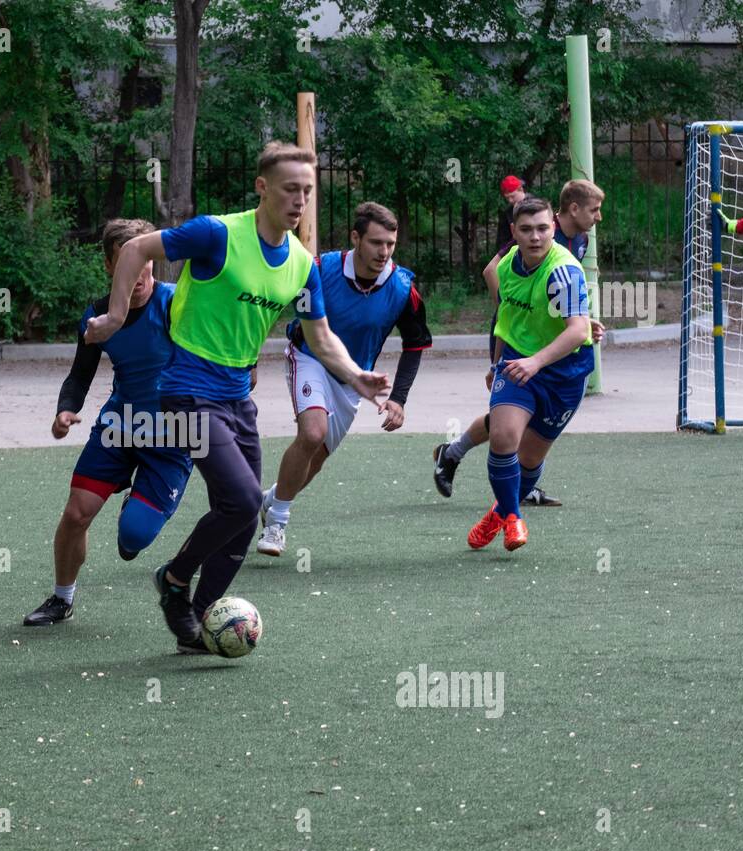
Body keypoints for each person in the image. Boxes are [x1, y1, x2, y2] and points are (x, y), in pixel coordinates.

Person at [85, 141, 390, 653]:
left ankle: (201, 625)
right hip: (184, 388)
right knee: (245, 499)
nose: (300, 200)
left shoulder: (301, 264)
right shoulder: (216, 233)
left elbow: (319, 336)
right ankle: (175, 581)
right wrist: (116, 316)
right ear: (263, 187)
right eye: (291, 189)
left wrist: (357, 375)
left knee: (244, 517)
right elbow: (137, 249)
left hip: (236, 397)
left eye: (308, 192)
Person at [23, 219, 192, 626]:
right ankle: (62, 599)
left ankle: (134, 509)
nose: (138, 274)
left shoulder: (176, 304)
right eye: (127, 265)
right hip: (120, 424)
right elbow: (81, 373)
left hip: (177, 435)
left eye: (146, 262)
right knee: (76, 513)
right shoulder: (97, 315)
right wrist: (66, 409)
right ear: (109, 267)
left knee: (133, 538)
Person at [256, 201, 431, 556]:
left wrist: (399, 397)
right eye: (376, 242)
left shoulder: (402, 287)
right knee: (312, 432)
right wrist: (249, 361)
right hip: (309, 357)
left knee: (315, 459)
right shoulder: (318, 269)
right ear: (356, 238)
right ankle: (277, 523)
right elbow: (267, 307)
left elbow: (415, 343)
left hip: (355, 380)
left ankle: (270, 500)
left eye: (390, 244)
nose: (384, 252)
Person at [433, 179, 606, 505]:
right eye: (594, 210)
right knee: (507, 422)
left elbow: (559, 300)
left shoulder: (577, 241)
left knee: (518, 422)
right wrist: (517, 308)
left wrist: (577, 318)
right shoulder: (533, 234)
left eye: (542, 229)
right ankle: (485, 475)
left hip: (547, 345)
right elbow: (490, 271)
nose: (599, 217)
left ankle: (460, 457)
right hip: (516, 336)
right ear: (573, 209)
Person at [466, 196, 592, 552]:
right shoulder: (506, 266)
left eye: (542, 228)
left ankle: (499, 514)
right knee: (504, 436)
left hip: (564, 373)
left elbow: (578, 331)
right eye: (526, 230)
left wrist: (537, 362)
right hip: (519, 364)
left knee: (531, 459)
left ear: (553, 225)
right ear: (513, 232)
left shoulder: (563, 271)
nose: (535, 237)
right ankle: (514, 517)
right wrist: (497, 363)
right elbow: (506, 321)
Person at [495, 174, 526, 256]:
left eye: (512, 196)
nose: (510, 200)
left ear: (521, 189)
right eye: (507, 198)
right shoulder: (507, 213)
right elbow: (502, 240)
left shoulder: (538, 207)